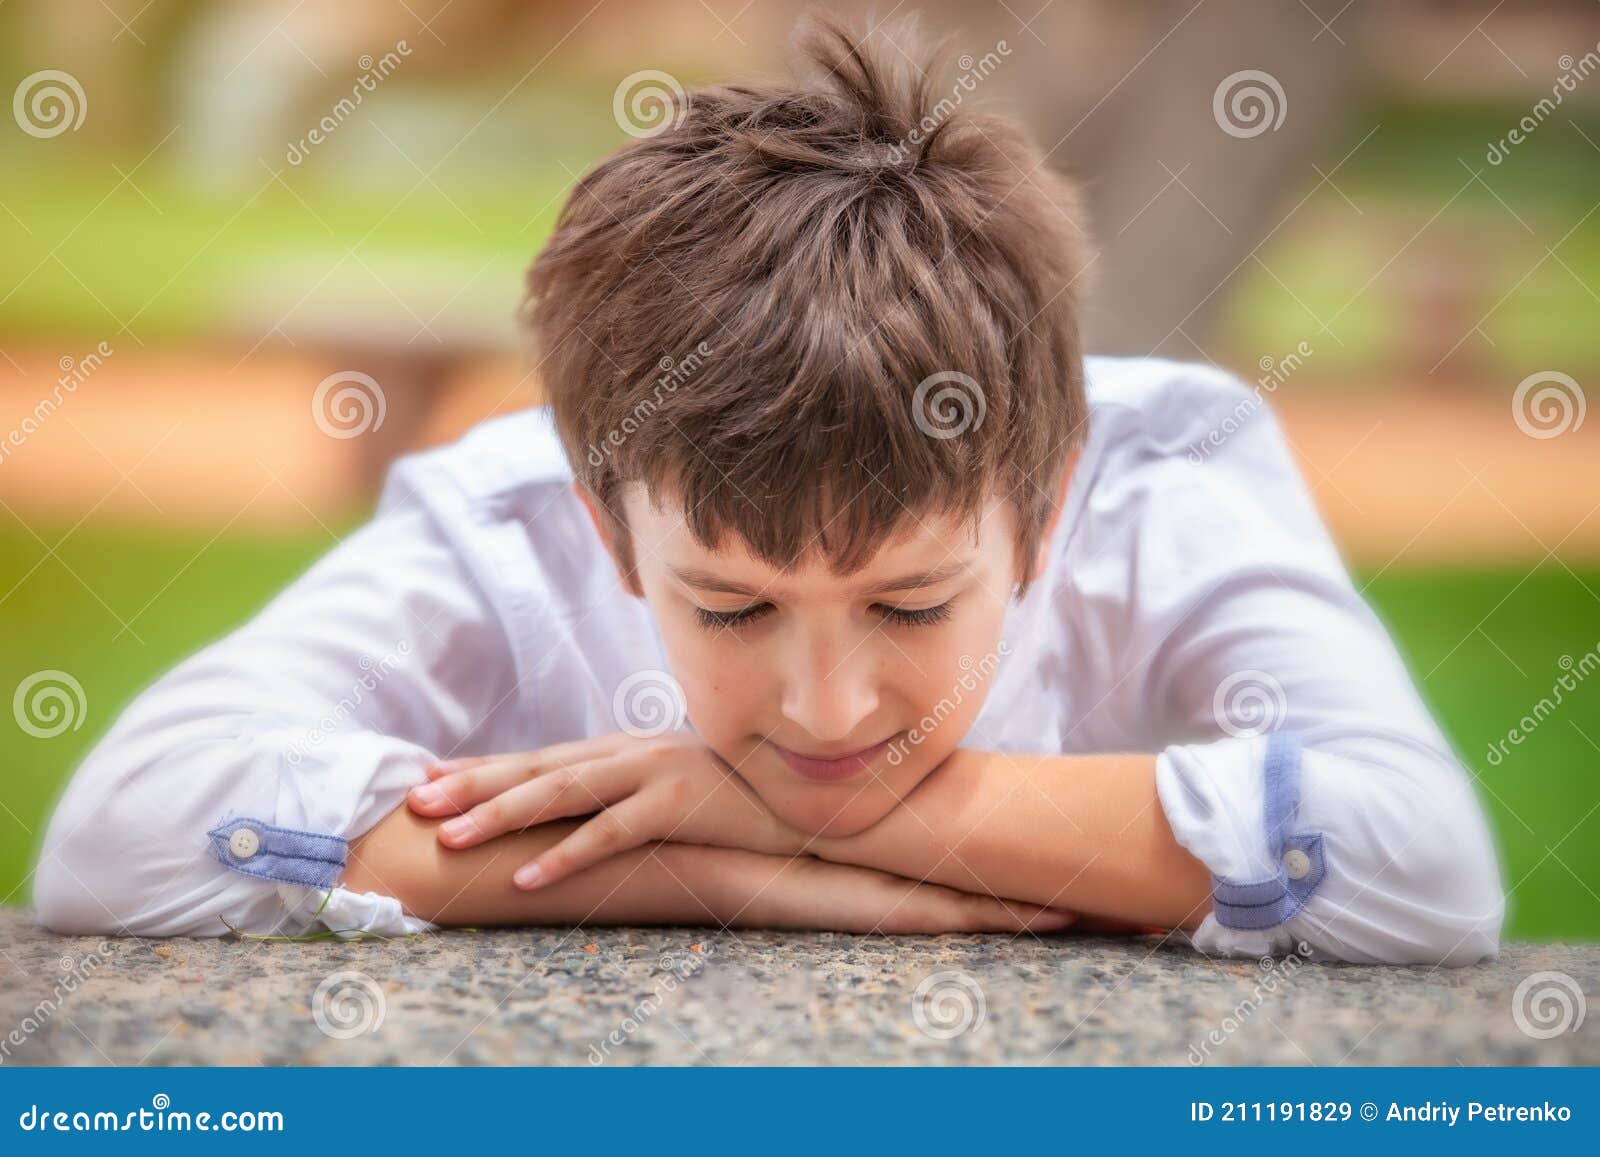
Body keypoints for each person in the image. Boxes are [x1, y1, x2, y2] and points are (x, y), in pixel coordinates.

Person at [33, 12, 1503, 965]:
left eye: (912, 599)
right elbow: (126, 824)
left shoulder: (1160, 476)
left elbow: (1425, 863)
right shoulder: (502, 512)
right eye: (733, 606)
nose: (824, 709)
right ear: (607, 524)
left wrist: (781, 810)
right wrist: (711, 860)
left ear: (1045, 509)